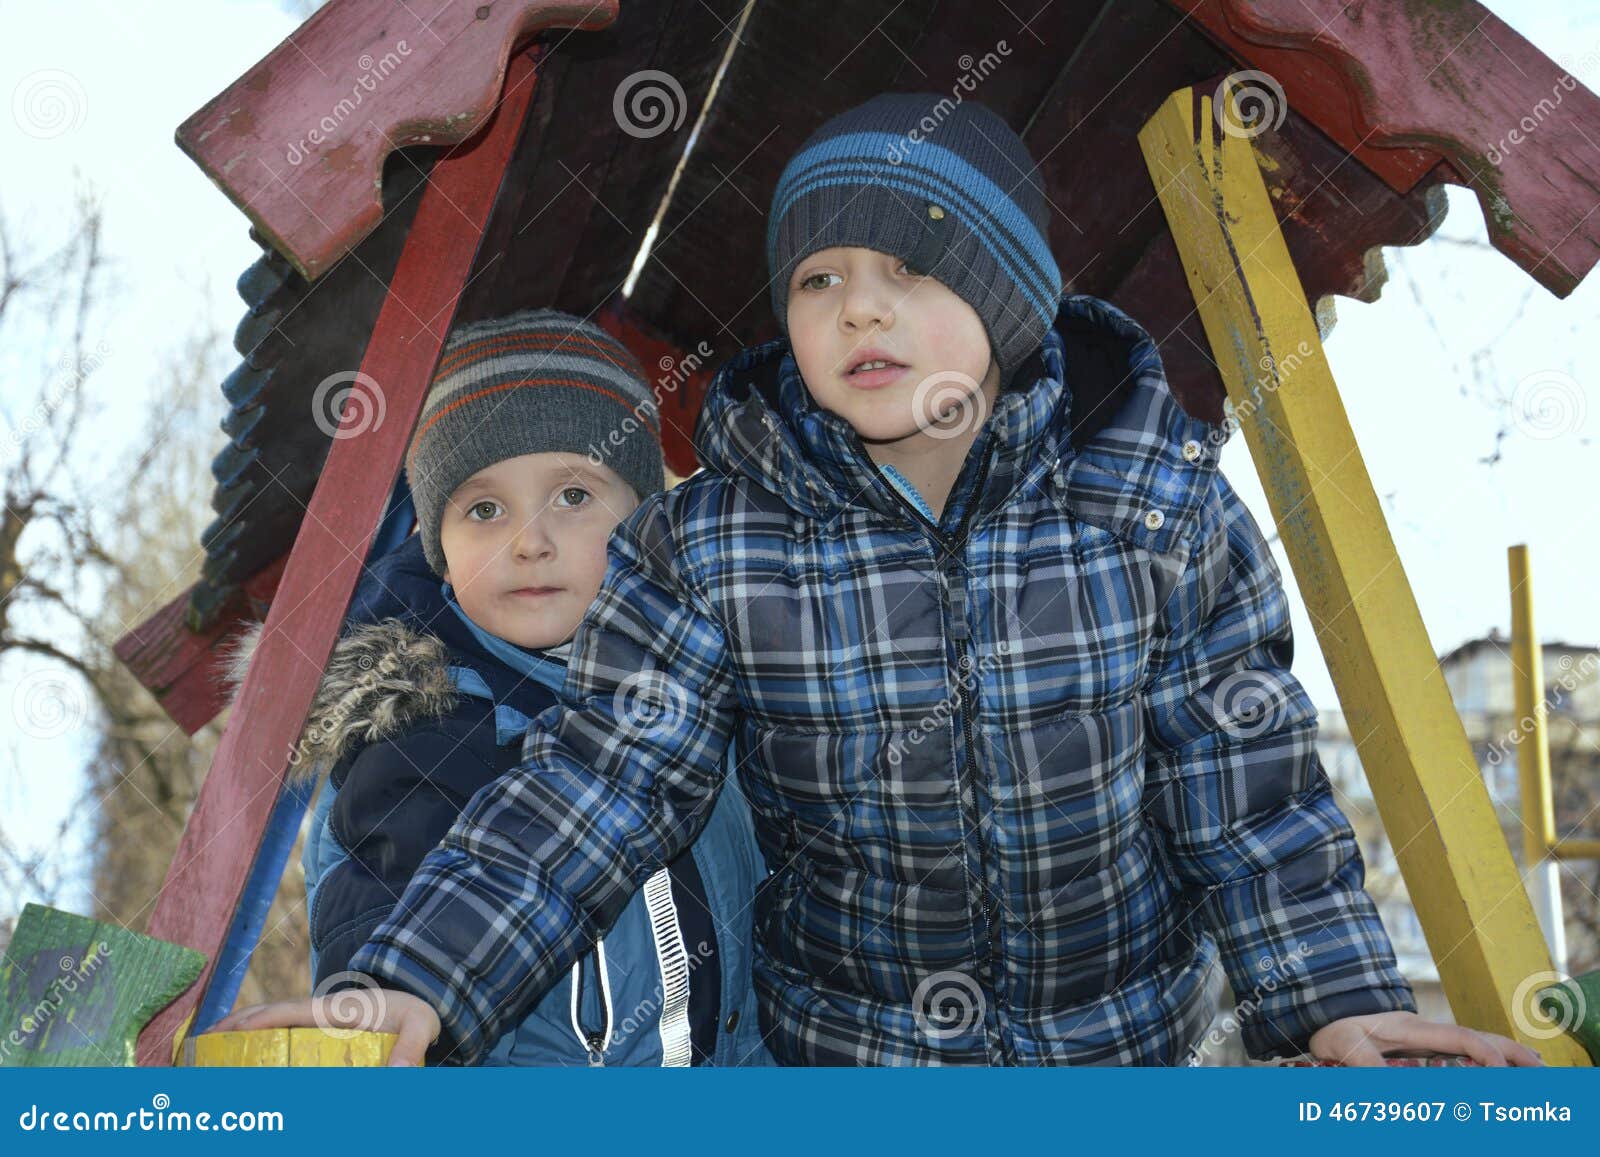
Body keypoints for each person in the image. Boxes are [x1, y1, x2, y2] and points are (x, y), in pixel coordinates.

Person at [219, 95, 1542, 1069]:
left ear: (1009, 301)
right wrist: (414, 981)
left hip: (1121, 1054)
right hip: (852, 1068)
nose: (857, 308)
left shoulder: (1158, 509)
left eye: (908, 269)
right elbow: (595, 784)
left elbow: (1246, 793)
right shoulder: (723, 548)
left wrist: (1330, 998)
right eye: (818, 281)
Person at [225, 309, 771, 1066]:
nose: (529, 539)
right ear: (439, 553)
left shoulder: (717, 698)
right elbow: (389, 913)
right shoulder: (421, 740)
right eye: (484, 509)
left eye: (573, 496)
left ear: (646, 518)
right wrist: (387, 999)